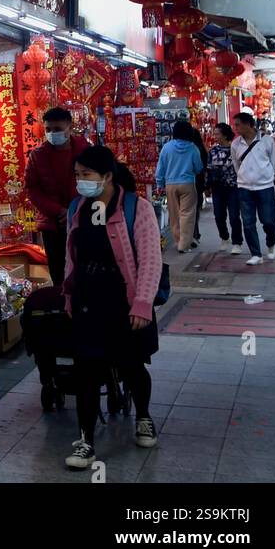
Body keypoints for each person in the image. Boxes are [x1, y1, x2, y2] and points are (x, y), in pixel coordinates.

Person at [62, 146, 161, 471]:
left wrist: (143, 303)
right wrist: (67, 294)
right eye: (77, 175)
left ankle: (143, 417)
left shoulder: (136, 207)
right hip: (88, 300)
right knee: (86, 372)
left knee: (132, 365)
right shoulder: (77, 208)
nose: (80, 181)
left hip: (124, 300)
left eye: (86, 175)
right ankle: (85, 440)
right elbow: (70, 257)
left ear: (106, 176)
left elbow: (150, 260)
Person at [26, 107, 89, 286]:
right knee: (59, 273)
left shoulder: (85, 151)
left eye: (58, 129)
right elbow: (31, 188)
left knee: (84, 268)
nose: (52, 133)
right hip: (53, 224)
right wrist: (59, 211)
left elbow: (96, 183)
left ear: (70, 127)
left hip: (82, 220)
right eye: (48, 130)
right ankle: (62, 308)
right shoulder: (37, 156)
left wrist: (74, 211)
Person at [232, 112, 275, 266]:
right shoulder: (235, 144)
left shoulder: (267, 140)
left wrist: (266, 176)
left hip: (265, 186)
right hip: (244, 187)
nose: (236, 128)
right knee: (248, 222)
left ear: (248, 124)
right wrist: (244, 177)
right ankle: (256, 254)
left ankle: (271, 244)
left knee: (268, 220)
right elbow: (236, 165)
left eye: (238, 124)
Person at [155, 121, 205, 253]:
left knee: (174, 214)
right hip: (188, 183)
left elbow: (161, 168)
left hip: (170, 184)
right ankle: (184, 244)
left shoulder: (166, 147)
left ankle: (178, 241)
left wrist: (159, 184)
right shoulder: (193, 148)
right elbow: (199, 167)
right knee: (187, 214)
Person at [206, 123, 243, 254]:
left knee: (234, 216)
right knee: (219, 215)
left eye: (217, 134)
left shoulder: (236, 149)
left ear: (225, 134)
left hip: (234, 187)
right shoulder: (213, 151)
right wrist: (208, 186)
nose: (215, 136)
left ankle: (237, 242)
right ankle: (224, 237)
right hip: (217, 188)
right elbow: (209, 169)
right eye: (214, 133)